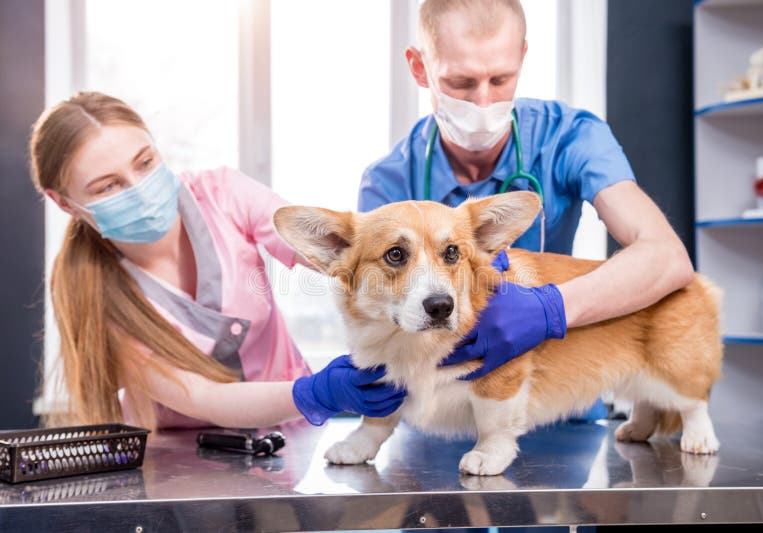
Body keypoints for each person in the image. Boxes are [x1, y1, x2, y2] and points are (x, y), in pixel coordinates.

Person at [358, 0, 694, 420]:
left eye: (501, 79)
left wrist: (549, 308)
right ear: (419, 68)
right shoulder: (388, 183)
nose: (483, 102)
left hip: (561, 396)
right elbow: (380, 316)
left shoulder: (569, 137)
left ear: (522, 56)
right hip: (440, 410)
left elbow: (666, 258)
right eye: (461, 82)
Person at [31, 91, 406, 430]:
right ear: (64, 202)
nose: (139, 188)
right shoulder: (99, 299)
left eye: (145, 163)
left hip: (291, 436)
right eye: (108, 186)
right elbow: (207, 398)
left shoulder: (223, 194)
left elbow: (325, 249)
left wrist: (416, 286)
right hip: (183, 465)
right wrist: (315, 393)